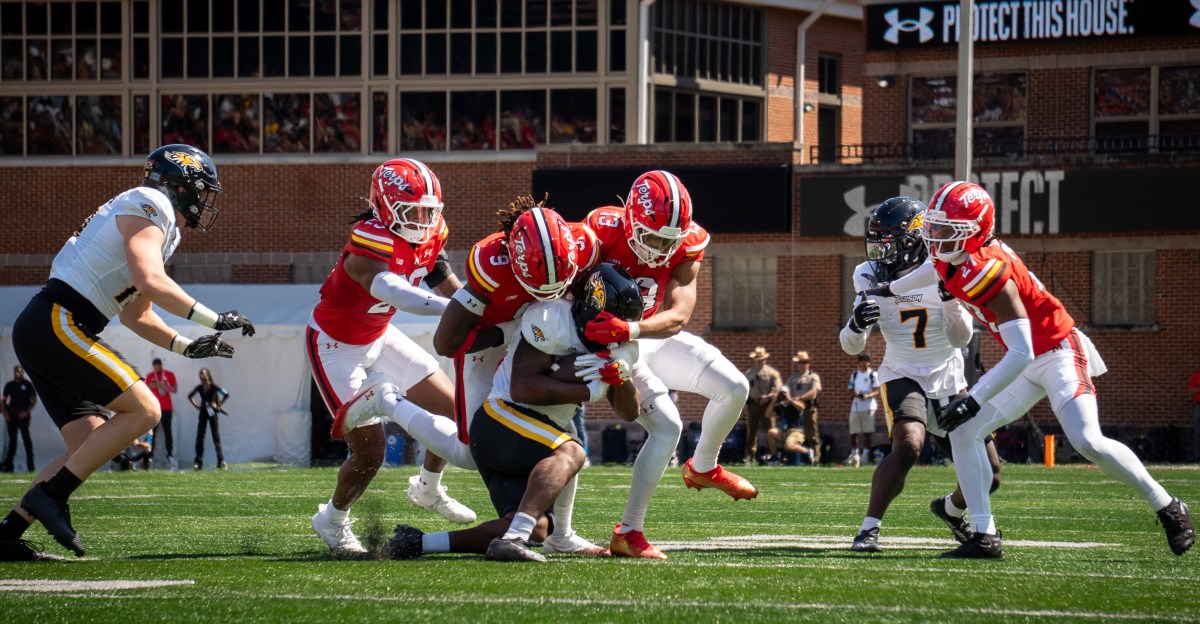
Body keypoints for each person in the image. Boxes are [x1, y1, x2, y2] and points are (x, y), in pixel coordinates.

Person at [877, 181, 1194, 557]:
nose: (935, 236)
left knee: (1087, 441)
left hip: (1056, 350)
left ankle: (1168, 506)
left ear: (973, 232)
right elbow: (932, 270)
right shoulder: (954, 253)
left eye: (945, 229)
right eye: (934, 225)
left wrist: (973, 399)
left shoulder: (989, 269)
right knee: (963, 433)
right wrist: (888, 290)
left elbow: (1023, 351)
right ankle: (984, 534)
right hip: (1023, 356)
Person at [0, 144, 254, 562]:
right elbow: (150, 280)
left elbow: (138, 314)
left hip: (51, 324)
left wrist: (186, 346)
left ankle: (8, 533)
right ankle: (52, 497)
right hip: (58, 320)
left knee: (84, 442)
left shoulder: (154, 218)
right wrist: (213, 319)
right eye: (202, 190)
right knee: (146, 410)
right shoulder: (152, 202)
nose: (205, 201)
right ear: (182, 184)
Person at [378, 263, 642, 561]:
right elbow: (522, 388)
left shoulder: (617, 345)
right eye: (609, 322)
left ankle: (418, 543)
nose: (612, 333)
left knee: (538, 528)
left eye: (619, 326)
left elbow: (630, 413)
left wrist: (619, 376)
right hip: (502, 420)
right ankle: (513, 539)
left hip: (528, 439)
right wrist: (588, 391)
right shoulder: (552, 318)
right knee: (572, 451)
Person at [393, 200, 609, 555]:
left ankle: (560, 535)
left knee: (565, 437)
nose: (551, 295)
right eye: (541, 287)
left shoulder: (585, 243)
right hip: (492, 339)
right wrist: (507, 331)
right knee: (468, 449)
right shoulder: (491, 262)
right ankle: (390, 403)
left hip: (541, 337)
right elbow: (447, 342)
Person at [582, 170, 756, 559]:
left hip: (642, 332)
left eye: (669, 239)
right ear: (630, 220)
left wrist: (630, 327)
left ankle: (704, 466)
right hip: (611, 342)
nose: (661, 248)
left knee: (734, 388)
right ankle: (629, 531)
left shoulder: (690, 243)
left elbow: (678, 316)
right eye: (654, 236)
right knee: (667, 428)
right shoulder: (599, 230)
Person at [305, 158, 474, 557]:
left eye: (427, 211)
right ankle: (331, 519)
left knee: (455, 409)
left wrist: (467, 299)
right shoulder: (368, 238)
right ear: (384, 206)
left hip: (379, 335)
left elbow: (437, 272)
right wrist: (456, 309)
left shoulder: (430, 232)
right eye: (411, 211)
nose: (421, 220)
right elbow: (392, 290)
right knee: (371, 449)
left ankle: (427, 489)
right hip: (334, 346)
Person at [841, 196, 1002, 553]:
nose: (881, 254)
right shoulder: (866, 275)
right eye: (877, 243)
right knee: (909, 445)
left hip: (948, 376)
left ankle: (950, 509)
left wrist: (947, 300)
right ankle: (869, 529)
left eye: (890, 243)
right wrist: (854, 325)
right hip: (901, 371)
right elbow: (851, 347)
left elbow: (961, 339)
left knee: (990, 472)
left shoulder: (942, 268)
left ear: (915, 240)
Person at [780, 351, 822, 464]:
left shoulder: (813, 377)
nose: (801, 364)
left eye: (803, 362)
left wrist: (799, 398)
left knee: (812, 434)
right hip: (795, 411)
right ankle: (803, 457)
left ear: (808, 363)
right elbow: (786, 388)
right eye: (799, 362)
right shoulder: (793, 377)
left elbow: (814, 391)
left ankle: (816, 457)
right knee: (797, 434)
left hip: (809, 409)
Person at [742, 347, 782, 465]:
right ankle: (750, 456)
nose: (759, 361)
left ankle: (771, 455)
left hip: (767, 406)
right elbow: (745, 390)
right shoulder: (749, 373)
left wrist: (768, 397)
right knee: (751, 431)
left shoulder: (772, 373)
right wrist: (745, 405)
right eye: (757, 359)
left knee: (770, 430)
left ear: (766, 359)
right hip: (753, 405)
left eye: (762, 359)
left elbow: (778, 389)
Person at [188, 368, 229, 470]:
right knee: (200, 436)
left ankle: (221, 460)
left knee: (215, 436)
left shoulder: (213, 386)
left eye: (203, 374)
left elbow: (226, 394)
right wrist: (197, 406)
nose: (201, 376)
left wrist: (218, 405)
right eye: (200, 374)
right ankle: (198, 462)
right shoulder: (200, 387)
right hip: (203, 412)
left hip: (212, 413)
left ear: (208, 375)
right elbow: (190, 396)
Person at [845, 354, 880, 467]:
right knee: (853, 432)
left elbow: (877, 390)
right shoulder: (854, 375)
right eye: (861, 361)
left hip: (869, 406)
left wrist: (868, 395)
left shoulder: (873, 374)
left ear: (869, 362)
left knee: (867, 432)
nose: (863, 363)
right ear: (858, 362)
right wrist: (855, 394)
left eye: (865, 361)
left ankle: (865, 456)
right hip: (855, 406)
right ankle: (854, 455)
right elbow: (850, 388)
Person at [2, 366, 37, 473]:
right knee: (12, 440)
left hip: (23, 416)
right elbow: (4, 399)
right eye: (16, 371)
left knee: (26, 439)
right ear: (14, 372)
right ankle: (9, 465)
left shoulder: (27, 385)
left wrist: (26, 412)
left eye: (20, 371)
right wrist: (5, 413)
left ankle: (30, 465)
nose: (18, 373)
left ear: (22, 373)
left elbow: (33, 399)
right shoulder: (9, 385)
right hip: (12, 415)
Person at [144, 358, 178, 469]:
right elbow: (146, 388)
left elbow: (174, 389)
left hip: (167, 408)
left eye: (158, 366)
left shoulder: (169, 374)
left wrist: (164, 386)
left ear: (161, 365)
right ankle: (150, 454)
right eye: (155, 367)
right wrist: (155, 386)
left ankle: (170, 454)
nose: (156, 368)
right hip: (154, 409)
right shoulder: (150, 375)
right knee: (152, 432)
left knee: (168, 431)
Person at [1189, 369, 1200, 463]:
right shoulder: (1196, 374)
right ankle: (1197, 456)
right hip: (1198, 405)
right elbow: (1191, 390)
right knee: (1197, 432)